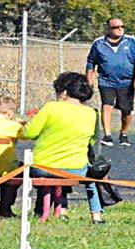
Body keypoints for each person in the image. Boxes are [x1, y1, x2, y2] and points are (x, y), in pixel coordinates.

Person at [22, 72, 105, 223]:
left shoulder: (51, 107)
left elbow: (29, 132)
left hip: (43, 166)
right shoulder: (91, 113)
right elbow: (92, 142)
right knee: (90, 180)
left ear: (64, 92)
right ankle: (96, 215)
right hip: (76, 168)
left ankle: (42, 211)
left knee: (49, 176)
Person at [85, 17, 135, 145]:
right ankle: (107, 135)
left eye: (122, 26)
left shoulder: (131, 41)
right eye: (116, 27)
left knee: (126, 110)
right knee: (107, 105)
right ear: (109, 28)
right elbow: (91, 62)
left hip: (126, 82)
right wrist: (90, 78)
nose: (120, 29)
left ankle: (124, 133)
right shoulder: (99, 43)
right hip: (106, 81)